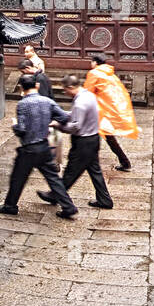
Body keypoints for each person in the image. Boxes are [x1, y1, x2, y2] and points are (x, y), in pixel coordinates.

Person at [0, 74, 78, 220]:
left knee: (18, 178)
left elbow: (21, 129)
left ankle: (10, 206)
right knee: (53, 178)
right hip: (44, 147)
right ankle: (68, 206)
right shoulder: (48, 101)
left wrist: (14, 125)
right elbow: (64, 118)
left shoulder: (22, 104)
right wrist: (48, 121)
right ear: (37, 85)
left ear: (21, 87)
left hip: (28, 149)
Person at [60, 76, 116, 210]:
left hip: (83, 142)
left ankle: (56, 194)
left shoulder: (80, 102)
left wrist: (59, 126)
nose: (65, 93)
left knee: (71, 171)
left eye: (65, 90)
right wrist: (62, 114)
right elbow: (77, 114)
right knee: (94, 171)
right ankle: (105, 200)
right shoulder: (89, 95)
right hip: (93, 138)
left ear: (70, 88)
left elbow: (76, 126)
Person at [81, 54, 137, 171]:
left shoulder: (94, 73)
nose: (90, 64)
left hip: (99, 110)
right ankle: (124, 162)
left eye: (91, 61)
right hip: (108, 109)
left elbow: (88, 92)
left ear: (95, 62)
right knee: (107, 137)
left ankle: (123, 162)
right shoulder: (110, 73)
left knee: (95, 135)